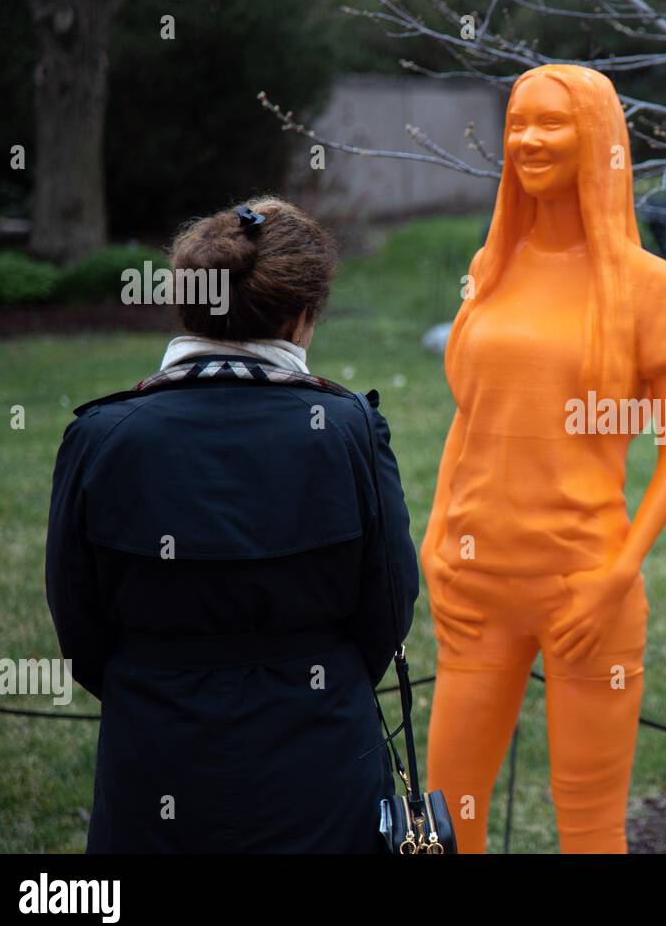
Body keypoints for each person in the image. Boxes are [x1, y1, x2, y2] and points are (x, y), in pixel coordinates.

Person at [46, 196, 419, 853]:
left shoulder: (101, 437)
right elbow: (388, 604)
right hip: (320, 745)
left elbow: (78, 623)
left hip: (155, 742)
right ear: (303, 318)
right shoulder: (348, 431)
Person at [421, 64, 666, 853]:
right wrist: (437, 540)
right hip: (474, 586)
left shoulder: (646, 286)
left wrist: (616, 577)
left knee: (589, 828)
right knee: (443, 825)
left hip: (588, 591)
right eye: (517, 124)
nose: (528, 140)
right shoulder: (490, 269)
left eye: (551, 124)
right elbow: (468, 420)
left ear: (598, 140)